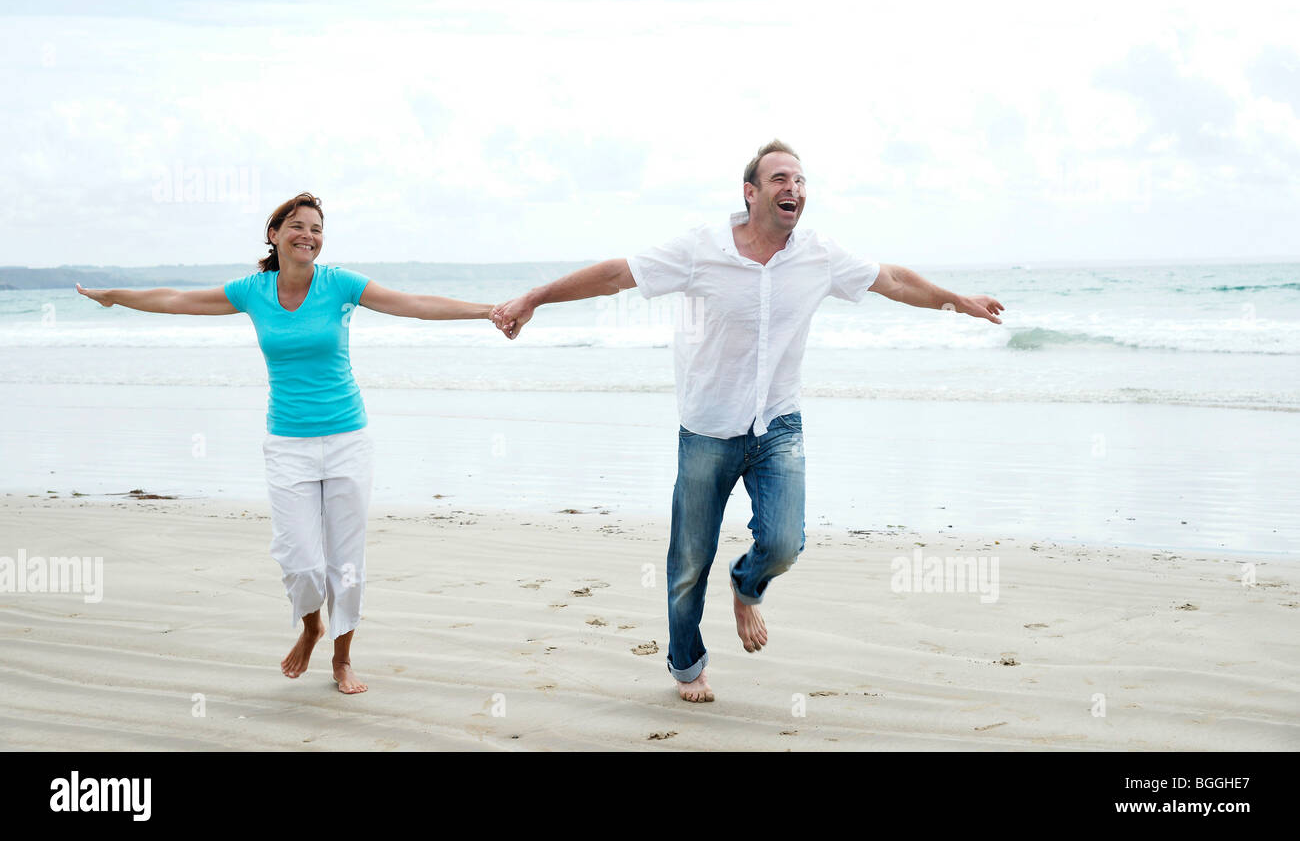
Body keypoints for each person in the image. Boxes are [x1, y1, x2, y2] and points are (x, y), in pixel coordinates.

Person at [490, 140, 1005, 703]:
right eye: (780, 178)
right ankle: (687, 665)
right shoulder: (700, 248)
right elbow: (617, 274)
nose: (794, 188)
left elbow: (895, 281)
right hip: (707, 428)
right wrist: (536, 297)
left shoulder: (819, 254)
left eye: (801, 181)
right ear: (750, 192)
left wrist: (958, 300)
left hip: (778, 425)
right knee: (689, 563)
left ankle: (746, 585)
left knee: (783, 544)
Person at [78, 192, 496, 694]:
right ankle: (312, 626)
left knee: (346, 562)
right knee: (300, 561)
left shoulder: (340, 284)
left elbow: (415, 305)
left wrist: (488, 310)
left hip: (347, 438)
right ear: (274, 235)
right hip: (287, 444)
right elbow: (176, 300)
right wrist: (116, 296)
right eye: (297, 226)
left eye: (316, 228)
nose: (308, 236)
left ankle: (342, 659)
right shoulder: (253, 291)